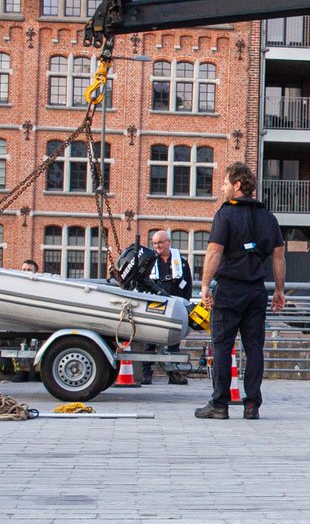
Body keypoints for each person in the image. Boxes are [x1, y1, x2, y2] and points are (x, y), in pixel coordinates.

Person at [195, 164, 286, 419]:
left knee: (222, 346)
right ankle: (252, 405)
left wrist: (205, 285)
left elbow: (214, 251)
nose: (222, 187)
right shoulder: (268, 217)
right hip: (256, 290)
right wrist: (279, 290)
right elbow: (279, 256)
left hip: (229, 289)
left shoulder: (225, 214)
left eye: (225, 183)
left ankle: (219, 404)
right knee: (254, 347)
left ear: (237, 185)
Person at [114, 229, 194, 385]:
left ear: (168, 242)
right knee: (150, 342)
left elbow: (188, 283)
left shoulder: (181, 262)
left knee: (173, 343)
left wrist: (185, 303)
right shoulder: (148, 261)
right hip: (154, 306)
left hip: (175, 306)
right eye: (155, 243)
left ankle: (174, 375)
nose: (157, 246)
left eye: (160, 243)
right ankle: (146, 375)